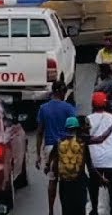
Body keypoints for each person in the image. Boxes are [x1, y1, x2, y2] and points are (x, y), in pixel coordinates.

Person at [35, 81, 77, 215]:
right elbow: (74, 128)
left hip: (49, 148)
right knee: (67, 182)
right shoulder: (69, 108)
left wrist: (38, 155)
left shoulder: (43, 108)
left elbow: (40, 132)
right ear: (62, 92)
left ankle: (51, 211)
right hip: (66, 148)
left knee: (52, 181)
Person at [87, 92, 112, 215]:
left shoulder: (88, 119)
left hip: (94, 160)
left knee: (93, 186)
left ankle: (94, 209)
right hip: (111, 159)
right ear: (106, 104)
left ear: (93, 104)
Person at [46, 116, 90, 215]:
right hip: (79, 183)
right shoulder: (82, 142)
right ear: (78, 128)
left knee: (66, 210)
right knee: (80, 210)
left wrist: (47, 165)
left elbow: (52, 158)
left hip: (65, 185)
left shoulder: (59, 143)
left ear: (66, 128)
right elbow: (90, 165)